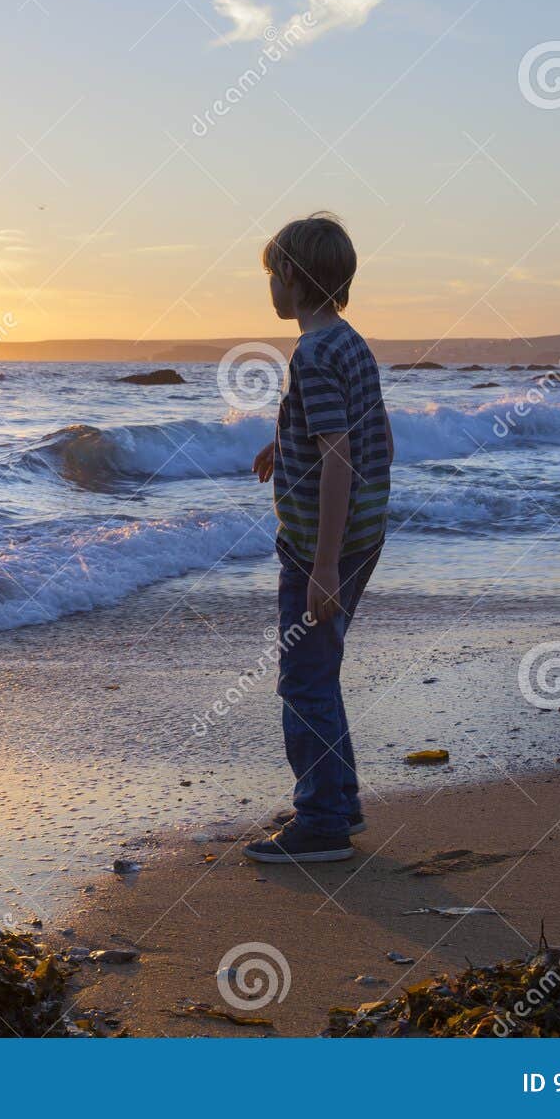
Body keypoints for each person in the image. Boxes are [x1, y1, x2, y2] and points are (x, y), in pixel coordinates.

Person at [243, 213, 393, 864]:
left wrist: (324, 566)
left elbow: (340, 458)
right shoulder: (346, 343)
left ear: (295, 280)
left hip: (320, 547)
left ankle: (323, 819)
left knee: (303, 678)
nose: (269, 287)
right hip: (360, 532)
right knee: (319, 670)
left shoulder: (313, 354)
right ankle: (335, 797)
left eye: (274, 274)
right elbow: (354, 431)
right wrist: (287, 442)